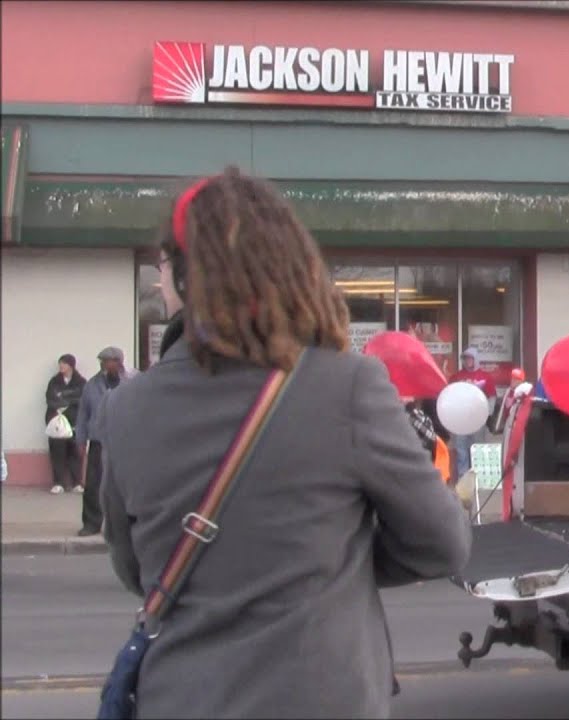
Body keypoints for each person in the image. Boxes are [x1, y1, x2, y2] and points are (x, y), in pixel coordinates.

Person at [98, 167, 471, 719]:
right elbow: (443, 542)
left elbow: (135, 570)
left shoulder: (125, 408)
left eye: (163, 267)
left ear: (182, 279)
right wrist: (338, 556)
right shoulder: (348, 387)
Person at [74, 346, 134, 535]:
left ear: (118, 362)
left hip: (124, 441)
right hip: (99, 442)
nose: (104, 365)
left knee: (126, 485)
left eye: (108, 361)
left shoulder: (133, 382)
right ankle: (91, 523)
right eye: (102, 362)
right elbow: (83, 413)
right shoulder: (92, 384)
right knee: (93, 485)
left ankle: (127, 524)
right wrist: (81, 439)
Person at [448, 346, 496, 479]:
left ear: (475, 359)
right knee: (461, 448)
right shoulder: (456, 377)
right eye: (465, 358)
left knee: (478, 448)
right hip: (461, 419)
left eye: (470, 358)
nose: (467, 361)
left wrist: (487, 415)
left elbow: (491, 397)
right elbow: (449, 395)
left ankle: (478, 477)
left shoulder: (485, 377)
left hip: (478, 418)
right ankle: (463, 477)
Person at [45, 353, 86, 494]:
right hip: (57, 422)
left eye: (64, 363)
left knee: (75, 452)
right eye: (60, 363)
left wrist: (64, 396)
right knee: (57, 453)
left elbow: (81, 399)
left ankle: (76, 482)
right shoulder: (54, 381)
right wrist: (67, 399)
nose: (61, 366)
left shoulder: (80, 382)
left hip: (74, 421)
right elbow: (50, 399)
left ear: (71, 365)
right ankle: (58, 483)